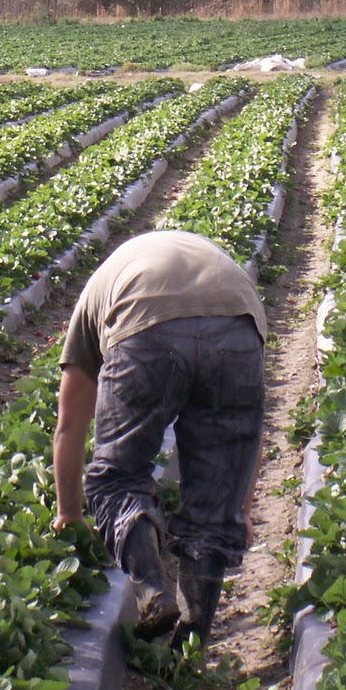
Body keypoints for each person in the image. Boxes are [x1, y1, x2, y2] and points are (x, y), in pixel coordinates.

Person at [52, 230, 266, 654]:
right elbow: (246, 431)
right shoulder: (225, 269)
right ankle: (190, 646)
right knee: (213, 503)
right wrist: (237, 508)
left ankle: (152, 590)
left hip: (145, 324)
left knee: (117, 476)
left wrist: (70, 512)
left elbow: (70, 424)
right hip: (239, 323)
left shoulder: (100, 289)